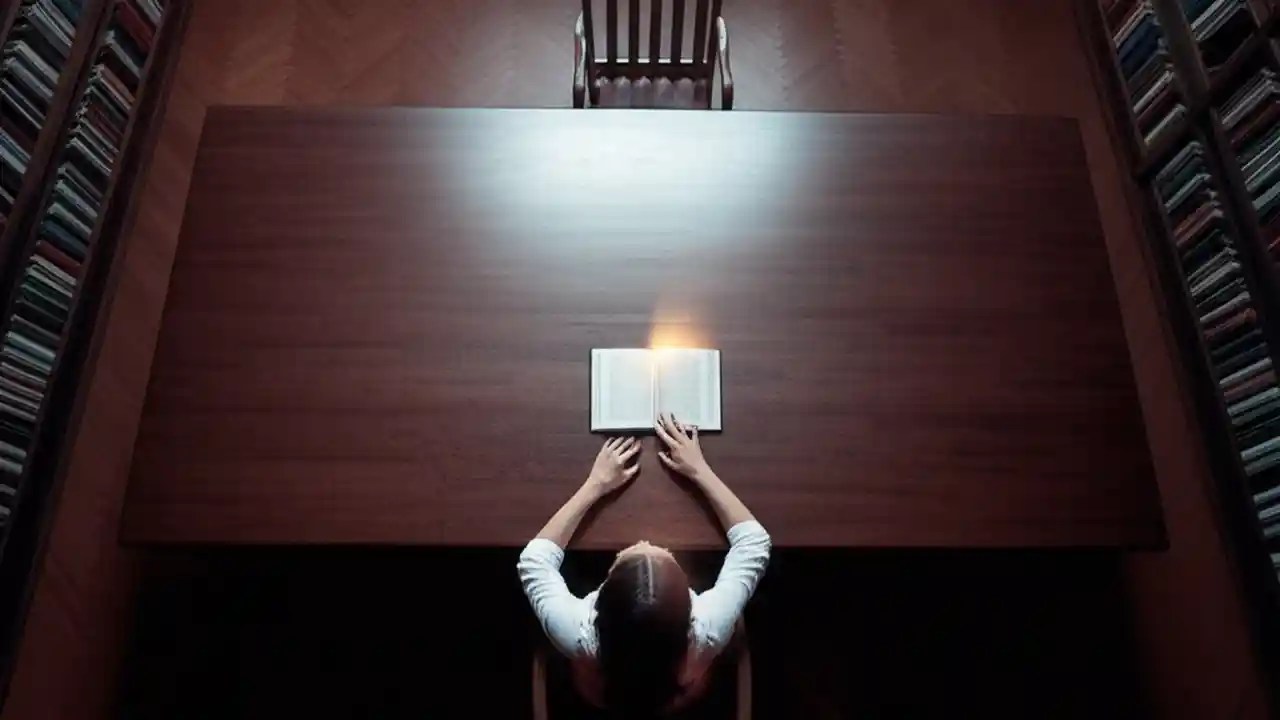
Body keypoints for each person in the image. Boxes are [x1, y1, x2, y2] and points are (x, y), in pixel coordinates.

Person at [518, 412, 771, 718]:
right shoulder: (707, 629)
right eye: (664, 553)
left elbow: (534, 560)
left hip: (605, 695)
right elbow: (754, 542)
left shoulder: (576, 631)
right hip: (677, 694)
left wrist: (595, 485)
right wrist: (699, 471)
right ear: (689, 614)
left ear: (600, 606)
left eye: (628, 555)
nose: (646, 543)